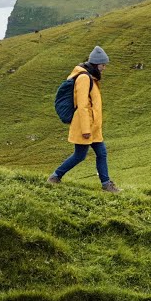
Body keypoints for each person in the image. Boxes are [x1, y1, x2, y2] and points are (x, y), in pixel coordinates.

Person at [47, 46, 120, 192]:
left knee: (101, 153)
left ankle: (106, 184)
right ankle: (55, 176)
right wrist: (86, 129)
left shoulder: (90, 77)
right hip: (84, 125)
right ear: (96, 64)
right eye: (103, 65)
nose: (104, 68)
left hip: (93, 126)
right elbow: (82, 106)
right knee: (79, 155)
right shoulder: (84, 78)